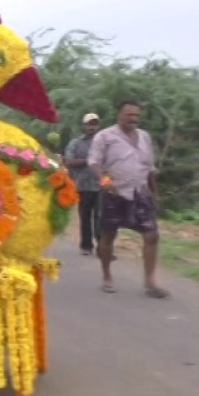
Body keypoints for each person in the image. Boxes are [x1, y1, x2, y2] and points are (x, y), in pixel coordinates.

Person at [88, 100, 167, 298]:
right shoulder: (105, 136)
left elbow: (149, 168)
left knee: (152, 235)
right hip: (114, 194)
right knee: (108, 236)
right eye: (129, 115)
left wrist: (154, 192)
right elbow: (94, 163)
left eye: (136, 116)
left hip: (140, 193)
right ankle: (107, 276)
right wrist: (105, 181)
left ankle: (150, 281)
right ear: (119, 115)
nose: (133, 119)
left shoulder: (144, 137)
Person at [65, 113, 103, 256]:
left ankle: (102, 247)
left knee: (100, 217)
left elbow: (111, 162)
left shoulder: (105, 143)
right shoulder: (75, 143)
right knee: (85, 217)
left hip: (101, 186)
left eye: (94, 124)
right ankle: (86, 246)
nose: (92, 127)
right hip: (82, 186)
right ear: (84, 126)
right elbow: (68, 161)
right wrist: (88, 160)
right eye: (89, 124)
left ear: (98, 126)